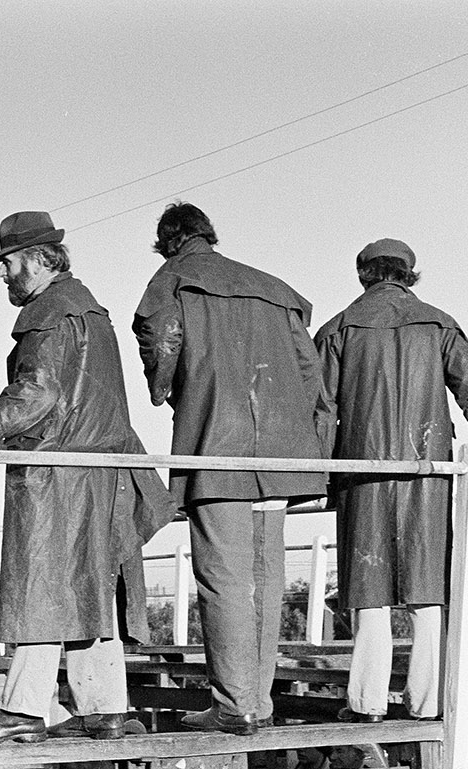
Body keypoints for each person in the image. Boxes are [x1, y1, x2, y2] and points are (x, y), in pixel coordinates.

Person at [0, 211, 174, 743]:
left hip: (59, 472)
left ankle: (22, 711)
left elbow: (36, 392)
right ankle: (107, 709)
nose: (3, 274)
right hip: (103, 471)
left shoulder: (48, 311)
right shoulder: (89, 309)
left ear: (41, 260)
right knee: (92, 589)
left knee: (42, 586)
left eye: (9, 262)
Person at [314, 239, 468, 723]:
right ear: (410, 275)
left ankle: (366, 703)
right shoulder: (439, 325)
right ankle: (426, 703)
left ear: (363, 275)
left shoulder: (339, 329)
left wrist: (317, 480)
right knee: (429, 589)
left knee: (368, 588)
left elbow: (321, 412)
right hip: (429, 474)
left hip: (365, 476)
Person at [133, 203, 332, 735]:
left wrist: (167, 389)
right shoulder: (273, 287)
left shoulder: (172, 278)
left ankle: (234, 703)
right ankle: (255, 700)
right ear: (210, 235)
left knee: (223, 576)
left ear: (168, 242)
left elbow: (160, 342)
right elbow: (310, 372)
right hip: (278, 455)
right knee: (265, 578)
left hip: (217, 451)